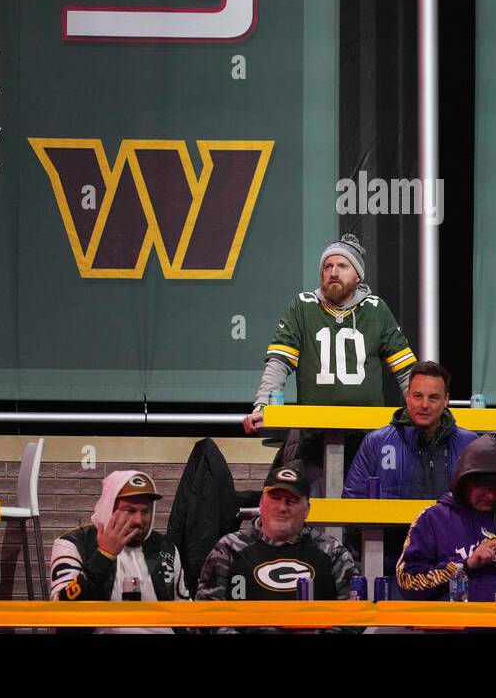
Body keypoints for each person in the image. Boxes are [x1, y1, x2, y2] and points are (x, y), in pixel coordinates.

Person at [243, 233, 416, 433]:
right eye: (328, 266)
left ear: (358, 275)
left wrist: (423, 410)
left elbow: (406, 371)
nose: (333, 272)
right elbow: (279, 363)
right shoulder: (302, 307)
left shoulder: (376, 309)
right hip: (314, 432)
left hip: (368, 436)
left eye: (342, 266)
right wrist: (263, 404)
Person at [197, 461, 359, 632]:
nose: (282, 507)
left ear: (307, 509)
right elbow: (206, 615)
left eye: (292, 501)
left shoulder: (332, 551)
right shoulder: (229, 548)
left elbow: (353, 617)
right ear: (261, 502)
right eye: (275, 498)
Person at [397, 434, 496, 602]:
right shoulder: (432, 519)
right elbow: (408, 582)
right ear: (464, 481)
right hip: (454, 625)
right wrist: (465, 565)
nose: (489, 496)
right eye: (482, 487)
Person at [51, 470, 190, 633]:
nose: (139, 520)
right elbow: (60, 610)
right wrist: (104, 555)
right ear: (108, 508)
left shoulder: (165, 548)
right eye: (130, 511)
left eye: (145, 511)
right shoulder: (73, 544)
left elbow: (184, 612)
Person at [343, 361, 477, 500]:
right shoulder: (376, 442)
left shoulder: (470, 444)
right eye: (418, 396)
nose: (424, 405)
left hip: (448, 523)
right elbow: (352, 499)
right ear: (407, 397)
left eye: (433, 397)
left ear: (445, 400)